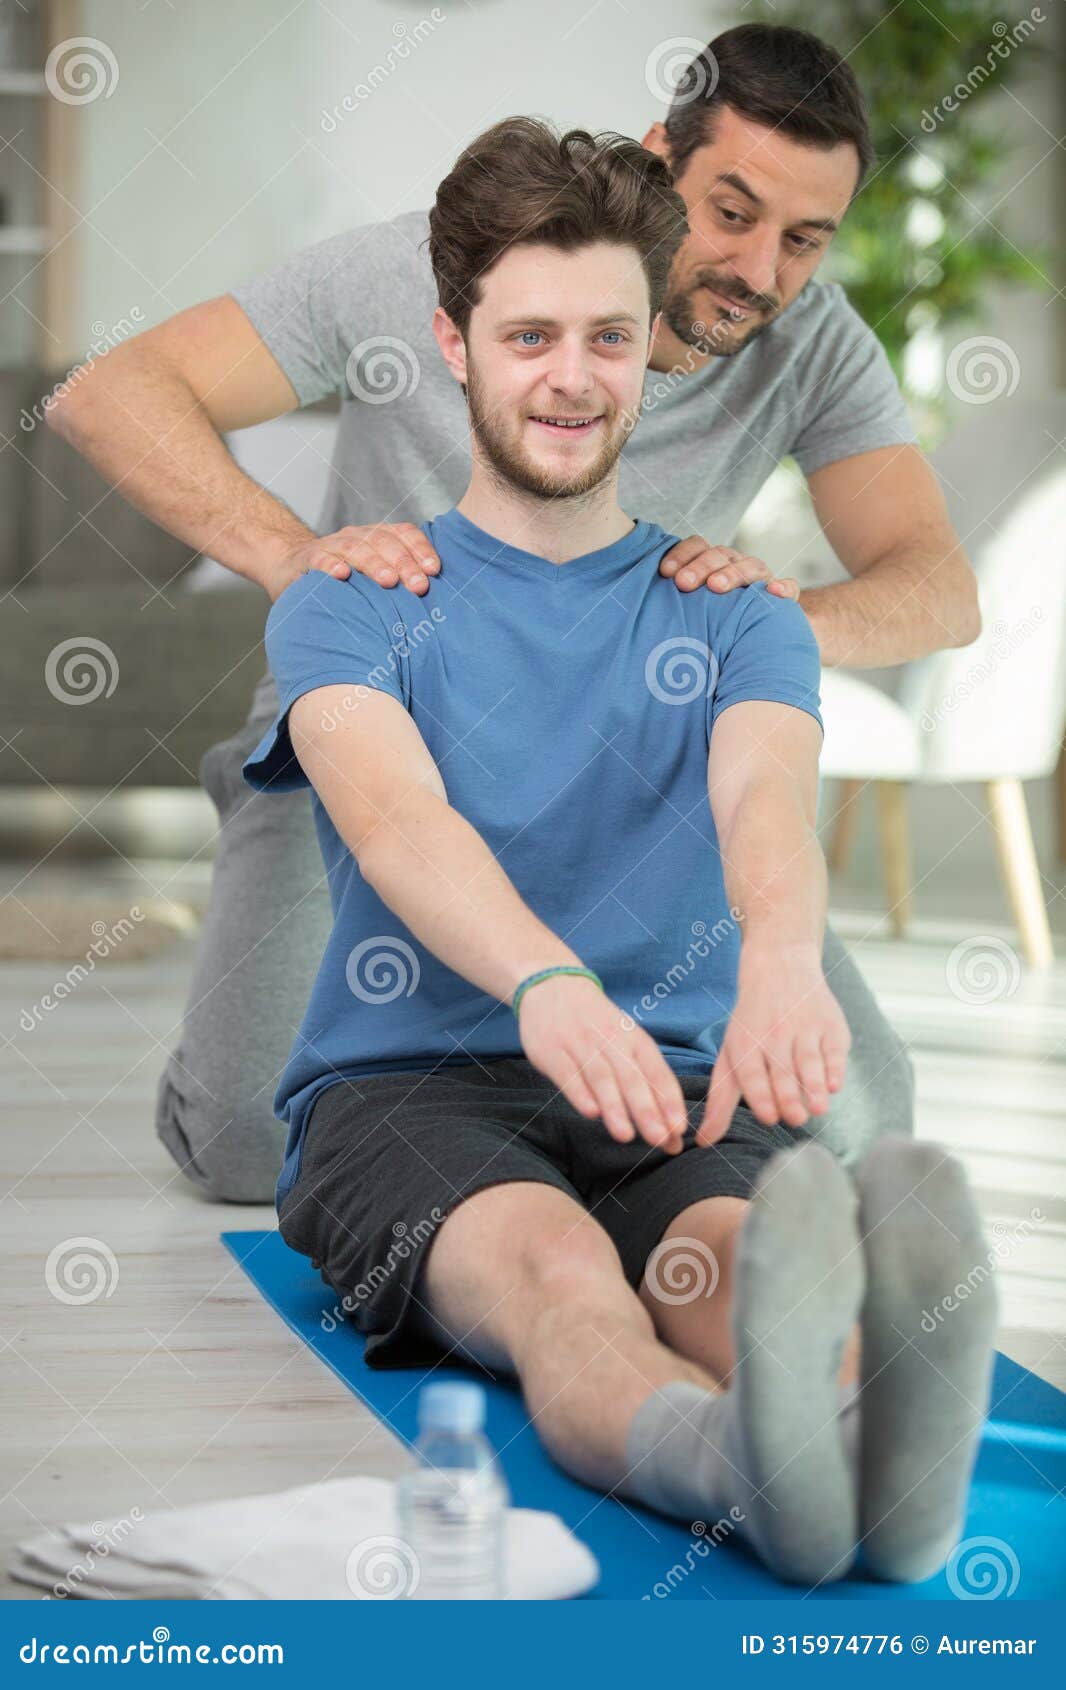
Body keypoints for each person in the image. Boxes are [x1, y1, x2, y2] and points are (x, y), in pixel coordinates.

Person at [241, 117, 995, 1588]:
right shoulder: (350, 601)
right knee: (561, 1283)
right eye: (528, 336)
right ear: (452, 345)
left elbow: (760, 800)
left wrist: (780, 958)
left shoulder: (734, 612)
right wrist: (548, 986)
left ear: (648, 345)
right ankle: (742, 1476)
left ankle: (870, 1443)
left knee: (731, 1270)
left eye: (605, 335)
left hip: (672, 1091)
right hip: (413, 1091)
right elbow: (398, 819)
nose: (571, 376)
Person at [46, 24, 979, 1202]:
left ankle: (569, 1124)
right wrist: (297, 559)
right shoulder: (418, 274)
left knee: (852, 1118)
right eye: (732, 212)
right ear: (659, 161)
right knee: (245, 1139)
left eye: (804, 239)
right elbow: (109, 394)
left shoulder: (812, 347)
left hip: (637, 779)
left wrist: (773, 615)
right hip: (377, 746)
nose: (758, 270)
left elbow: (937, 586)